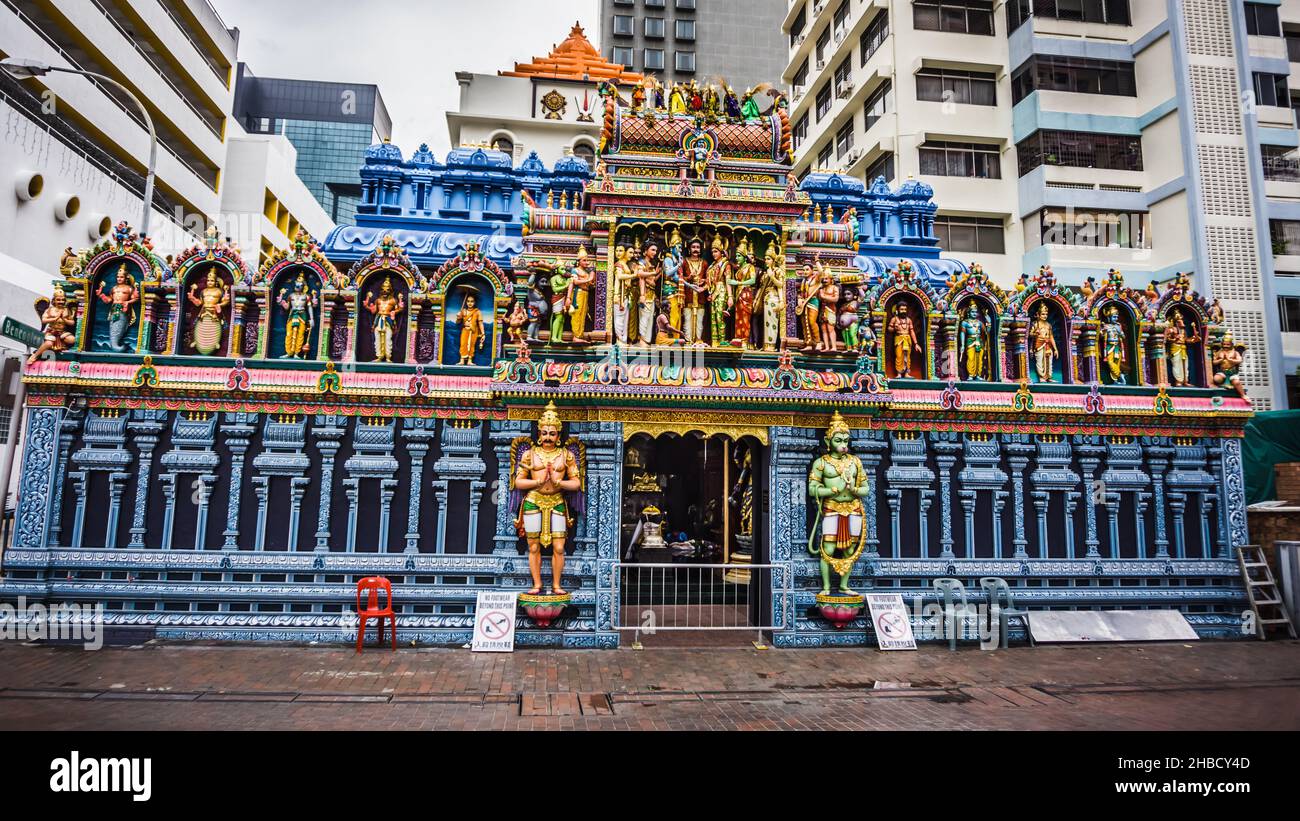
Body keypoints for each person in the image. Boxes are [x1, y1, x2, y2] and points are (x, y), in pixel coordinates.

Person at [513, 403, 582, 595]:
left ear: (559, 435)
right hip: (534, 500)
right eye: (544, 433)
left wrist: (559, 483)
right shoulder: (529, 454)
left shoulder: (566, 455)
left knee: (559, 547)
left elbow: (576, 483)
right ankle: (537, 584)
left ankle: (556, 585)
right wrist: (538, 482)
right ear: (539, 434)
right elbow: (518, 482)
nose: (548, 437)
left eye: (552, 434)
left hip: (557, 501)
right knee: (533, 545)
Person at [807, 411, 871, 596]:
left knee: (850, 548)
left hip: (853, 508)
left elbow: (866, 489)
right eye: (838, 440)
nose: (843, 445)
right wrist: (829, 491)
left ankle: (844, 585)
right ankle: (826, 587)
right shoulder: (821, 463)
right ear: (828, 442)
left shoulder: (855, 462)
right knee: (828, 548)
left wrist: (854, 490)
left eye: (845, 440)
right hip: (832, 507)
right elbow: (812, 488)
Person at [96, 264, 140, 353]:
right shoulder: (114, 288)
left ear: (126, 278)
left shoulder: (129, 288)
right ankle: (115, 345)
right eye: (118, 277)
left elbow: (135, 298)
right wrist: (101, 295)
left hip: (122, 309)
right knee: (113, 326)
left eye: (121, 277)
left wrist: (127, 302)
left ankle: (117, 345)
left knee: (119, 326)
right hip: (113, 309)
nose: (119, 279)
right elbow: (109, 300)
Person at [28, 285, 77, 365]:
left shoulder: (66, 310)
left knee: (72, 340)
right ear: (54, 300)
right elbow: (44, 320)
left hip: (62, 332)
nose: (60, 302)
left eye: (62, 300)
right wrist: (55, 319)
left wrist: (64, 319)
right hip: (52, 331)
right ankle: (35, 356)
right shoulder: (50, 310)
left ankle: (62, 347)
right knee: (48, 343)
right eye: (58, 300)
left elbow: (72, 323)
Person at [187, 270, 231, 356]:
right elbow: (199, 303)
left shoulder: (219, 291)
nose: (209, 282)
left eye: (212, 280)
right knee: (197, 328)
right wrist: (192, 298)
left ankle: (214, 345)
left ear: (216, 282)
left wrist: (221, 304)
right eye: (208, 280)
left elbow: (225, 302)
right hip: (203, 313)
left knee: (217, 330)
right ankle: (197, 343)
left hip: (214, 314)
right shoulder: (203, 291)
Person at [363, 276, 405, 362]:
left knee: (388, 338)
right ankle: (379, 356)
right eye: (383, 290)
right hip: (378, 320)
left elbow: (398, 309)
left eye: (387, 290)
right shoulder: (378, 300)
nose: (385, 292)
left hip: (388, 320)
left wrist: (398, 309)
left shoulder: (393, 300)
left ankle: (388, 357)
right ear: (380, 290)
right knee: (377, 338)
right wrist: (366, 304)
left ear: (391, 290)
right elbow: (373, 311)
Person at [277, 273, 317, 359]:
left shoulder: (306, 296)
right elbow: (287, 307)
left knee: (300, 334)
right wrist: (281, 301)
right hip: (292, 315)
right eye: (296, 284)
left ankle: (296, 353)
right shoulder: (291, 296)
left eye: (300, 284)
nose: (297, 286)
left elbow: (310, 307)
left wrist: (312, 319)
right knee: (289, 334)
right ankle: (288, 352)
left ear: (304, 286)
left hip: (302, 315)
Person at [1029, 302, 1058, 383]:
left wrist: (1055, 349)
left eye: (1046, 314)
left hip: (1048, 345)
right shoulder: (1035, 324)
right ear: (1038, 314)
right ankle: (1042, 377)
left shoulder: (1048, 325)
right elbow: (1030, 334)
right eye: (1042, 314)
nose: (1045, 316)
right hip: (1039, 345)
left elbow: (1051, 337)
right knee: (1040, 361)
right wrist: (1035, 333)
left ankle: (1049, 377)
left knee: (1049, 361)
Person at [454, 291, 485, 365]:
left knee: (471, 345)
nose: (469, 303)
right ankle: (462, 360)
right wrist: (458, 317)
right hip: (465, 330)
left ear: (474, 302)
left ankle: (469, 360)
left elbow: (480, 323)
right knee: (463, 344)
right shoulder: (463, 311)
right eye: (468, 301)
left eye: (472, 301)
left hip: (473, 331)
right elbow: (457, 322)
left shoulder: (477, 312)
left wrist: (483, 333)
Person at [888, 302, 918, 378]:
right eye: (901, 309)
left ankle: (906, 373)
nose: (903, 311)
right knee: (899, 356)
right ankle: (898, 373)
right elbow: (889, 329)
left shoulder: (909, 320)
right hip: (899, 339)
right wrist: (895, 328)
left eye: (905, 309)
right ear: (897, 310)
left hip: (907, 340)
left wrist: (916, 343)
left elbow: (912, 331)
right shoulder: (894, 319)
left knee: (907, 357)